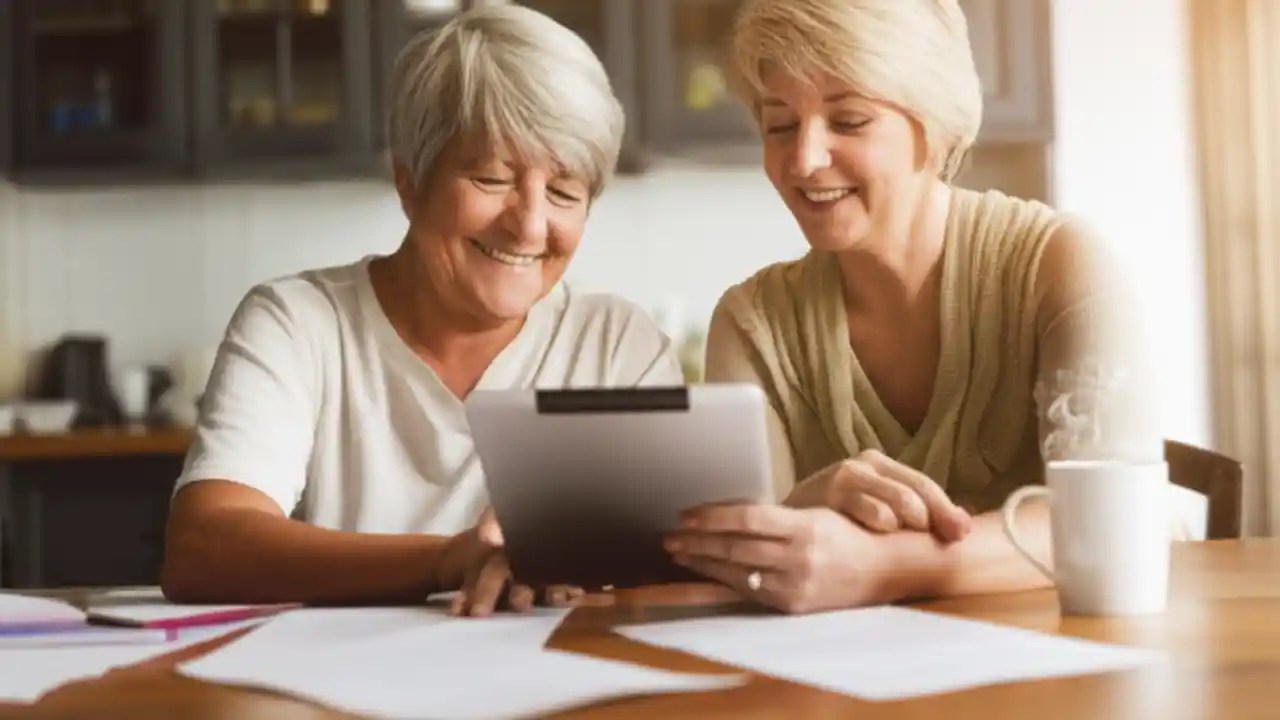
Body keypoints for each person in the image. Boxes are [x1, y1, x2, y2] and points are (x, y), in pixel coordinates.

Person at [161, 5, 683, 616]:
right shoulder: (297, 322)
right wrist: (445, 561)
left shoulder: (616, 345)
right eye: (492, 179)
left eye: (565, 193)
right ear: (409, 182)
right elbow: (204, 546)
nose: (530, 227)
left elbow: (670, 568)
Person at [667, 0, 1155, 613]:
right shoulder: (752, 322)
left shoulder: (1062, 267)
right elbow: (741, 556)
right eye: (780, 125)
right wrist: (807, 505)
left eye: (847, 121)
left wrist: (882, 565)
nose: (804, 159)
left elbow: (1115, 521)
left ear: (935, 127)